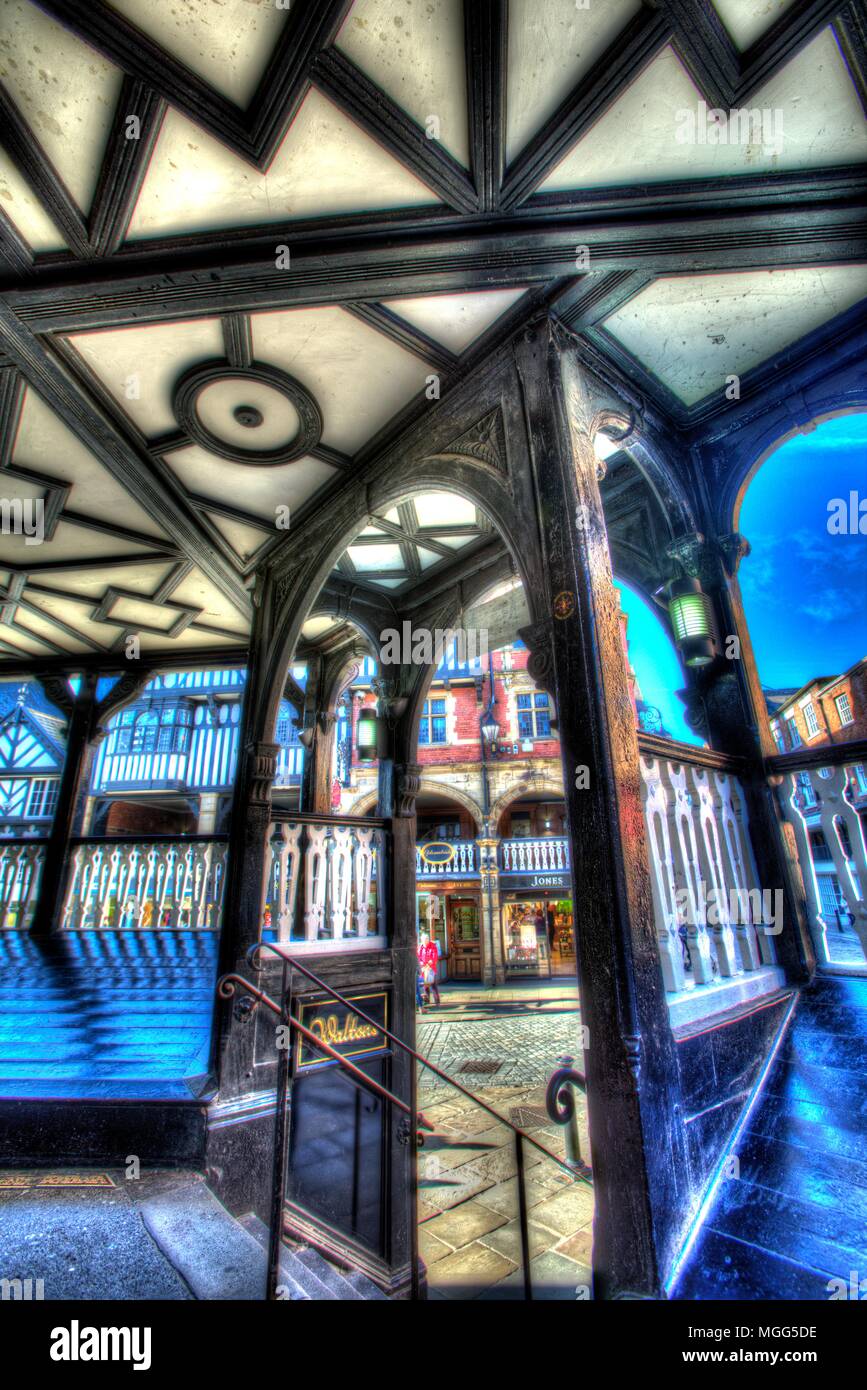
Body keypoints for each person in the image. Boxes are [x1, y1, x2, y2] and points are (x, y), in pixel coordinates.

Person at [418, 931, 441, 1009]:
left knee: (433, 985)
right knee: (425, 985)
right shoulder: (420, 947)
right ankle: (427, 1000)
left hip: (431, 969)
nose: (426, 941)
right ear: (422, 940)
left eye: (427, 939)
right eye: (424, 939)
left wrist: (431, 961)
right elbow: (418, 957)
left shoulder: (433, 946)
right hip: (423, 969)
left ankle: (437, 1001)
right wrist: (420, 962)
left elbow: (435, 956)